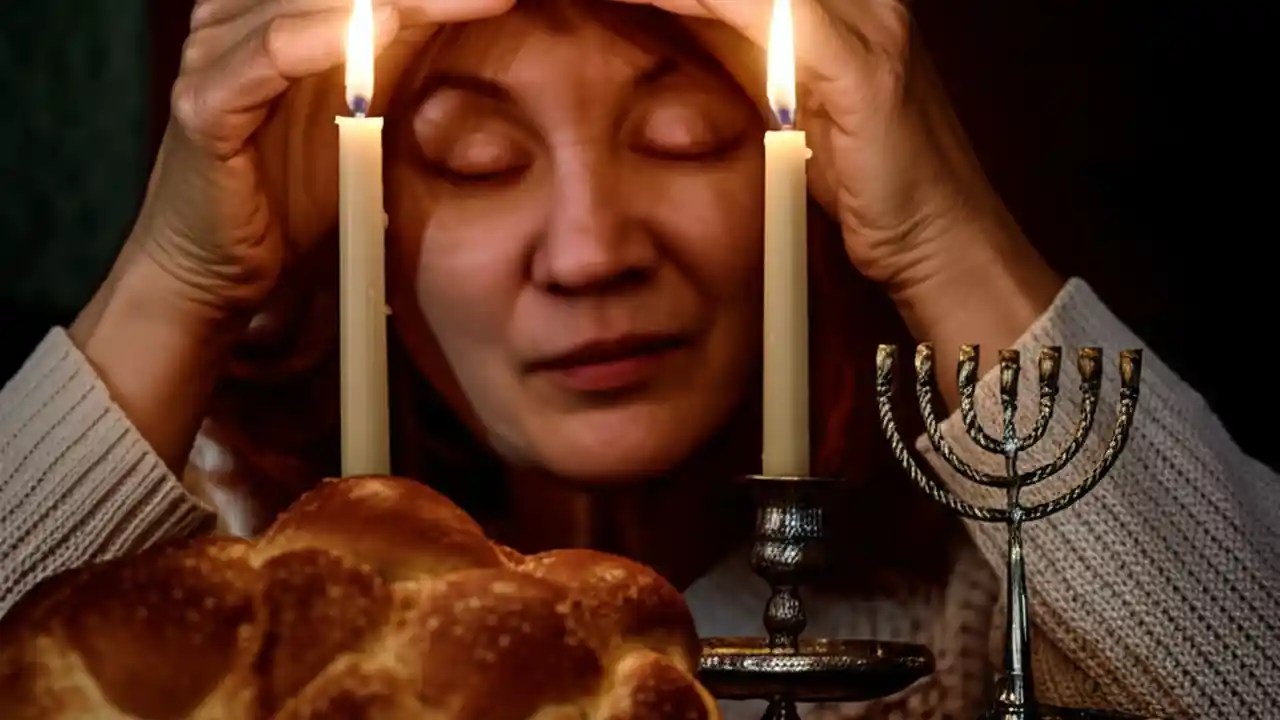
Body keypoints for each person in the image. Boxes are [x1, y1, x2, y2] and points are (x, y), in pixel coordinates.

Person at [0, 0, 1275, 717]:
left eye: (682, 135)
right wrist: (176, 288)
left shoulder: (975, 618)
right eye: (473, 158)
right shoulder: (216, 592)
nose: (592, 249)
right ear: (356, 209)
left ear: (817, 178)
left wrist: (945, 235)